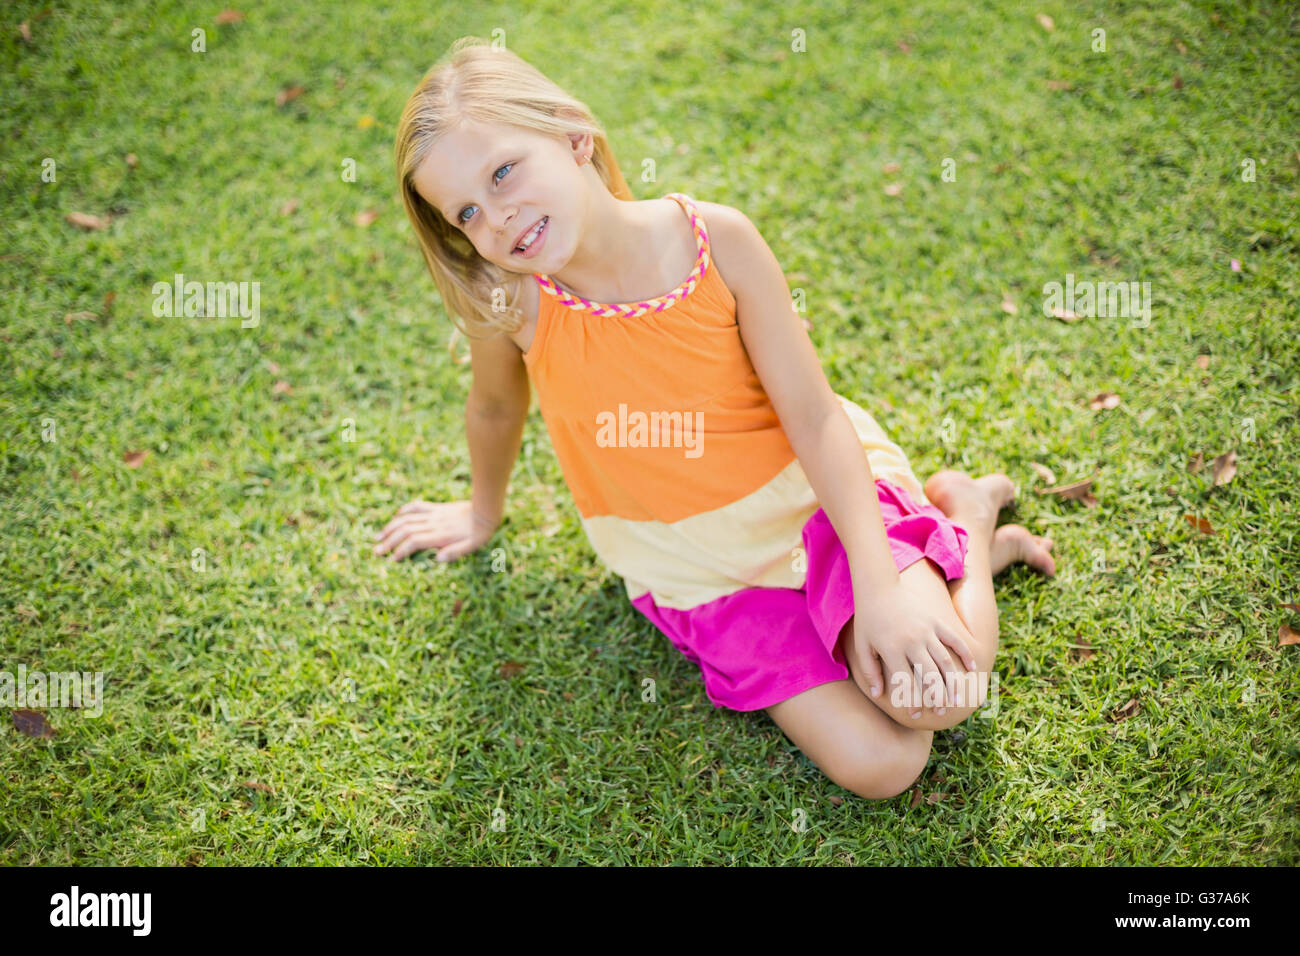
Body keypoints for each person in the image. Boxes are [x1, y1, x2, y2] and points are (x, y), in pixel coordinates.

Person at [375, 36, 1057, 800]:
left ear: (573, 137)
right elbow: (497, 406)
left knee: (945, 699)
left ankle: (958, 515)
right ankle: (955, 542)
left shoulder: (714, 241)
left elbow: (815, 416)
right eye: (466, 210)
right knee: (885, 765)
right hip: (699, 571)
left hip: (815, 509)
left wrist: (881, 589)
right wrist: (480, 513)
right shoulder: (513, 303)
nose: (495, 215)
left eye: (503, 171)